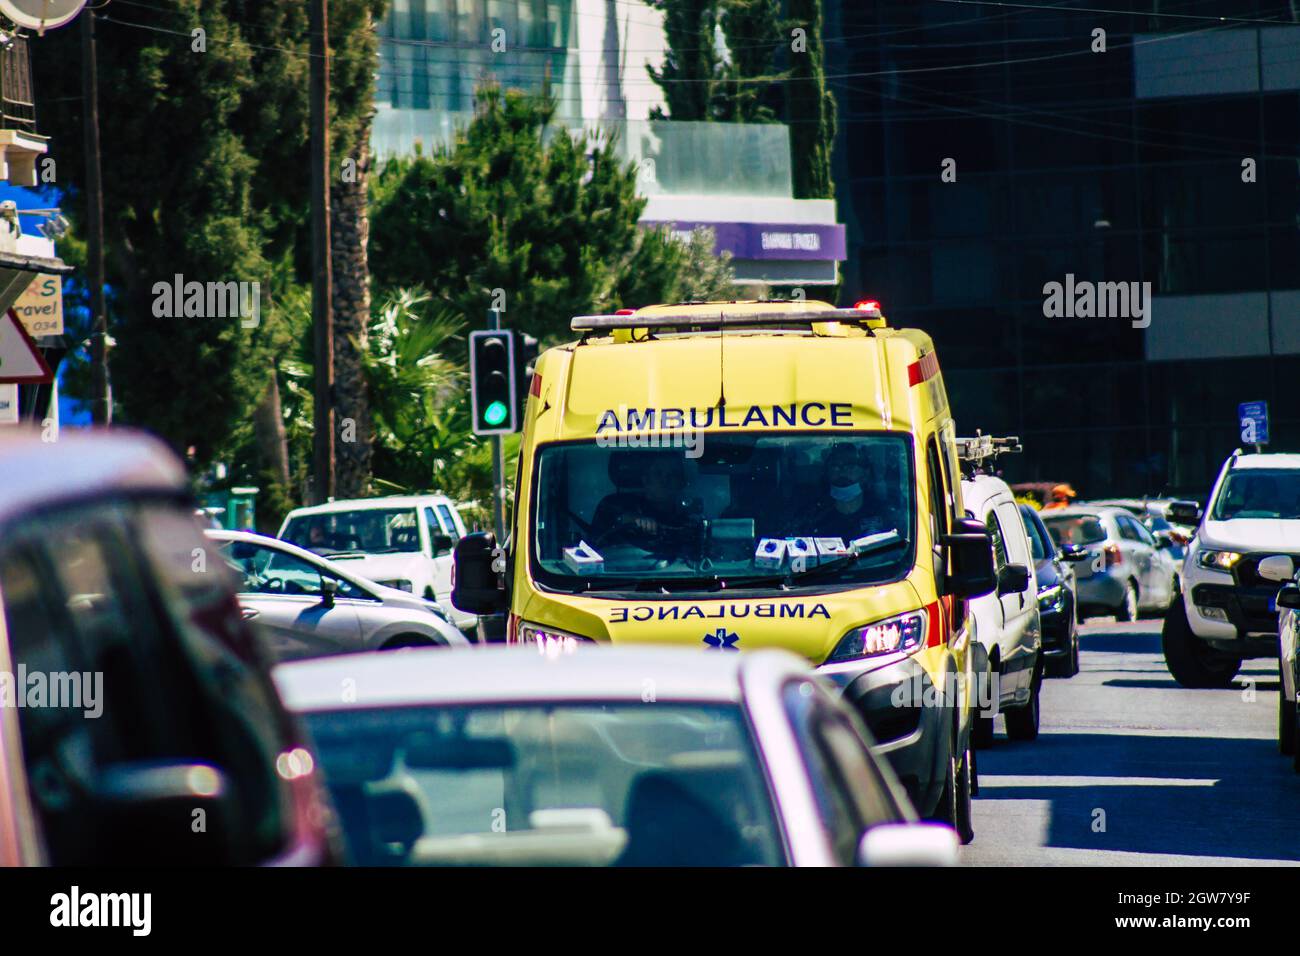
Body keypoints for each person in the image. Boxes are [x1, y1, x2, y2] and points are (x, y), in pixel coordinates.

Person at [592, 453, 699, 555]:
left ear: (681, 483)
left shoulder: (684, 521)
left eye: (673, 474)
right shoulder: (615, 504)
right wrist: (629, 519)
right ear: (646, 479)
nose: (665, 480)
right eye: (658, 473)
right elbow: (596, 543)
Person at [800, 443, 894, 540]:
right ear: (827, 472)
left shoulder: (881, 513)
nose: (842, 471)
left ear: (865, 473)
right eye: (835, 466)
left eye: (850, 466)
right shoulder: (814, 516)